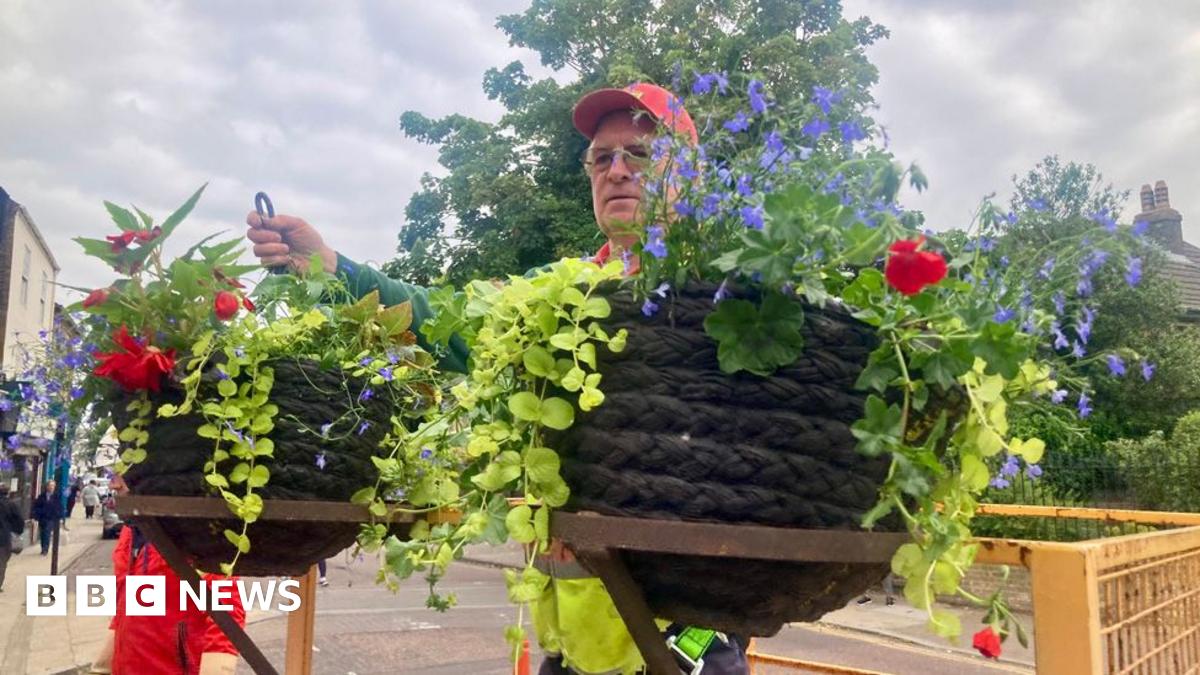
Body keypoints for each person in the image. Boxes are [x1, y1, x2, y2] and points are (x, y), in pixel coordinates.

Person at [245, 82, 747, 674]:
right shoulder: (554, 290)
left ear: (687, 177)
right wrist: (330, 266)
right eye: (601, 158)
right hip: (574, 646)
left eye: (637, 155)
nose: (616, 172)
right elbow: (447, 319)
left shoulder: (730, 291)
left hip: (688, 646)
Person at [90, 475, 245, 675]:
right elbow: (126, 608)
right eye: (112, 475)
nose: (113, 484)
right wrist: (103, 666)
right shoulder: (131, 533)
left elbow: (226, 613)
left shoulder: (194, 536)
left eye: (123, 475)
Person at [1, 483, 25, 592]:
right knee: (1, 562)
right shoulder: (11, 504)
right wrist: (16, 531)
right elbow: (19, 520)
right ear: (8, 492)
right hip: (4, 538)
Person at [31, 480, 62, 555]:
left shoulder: (56, 496)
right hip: (42, 517)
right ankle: (43, 547)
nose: (52, 487)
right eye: (50, 486)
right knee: (42, 533)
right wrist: (35, 515)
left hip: (51, 518)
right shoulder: (41, 496)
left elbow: (59, 507)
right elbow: (36, 506)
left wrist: (60, 517)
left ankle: (45, 549)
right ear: (47, 486)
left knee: (47, 532)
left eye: (53, 486)